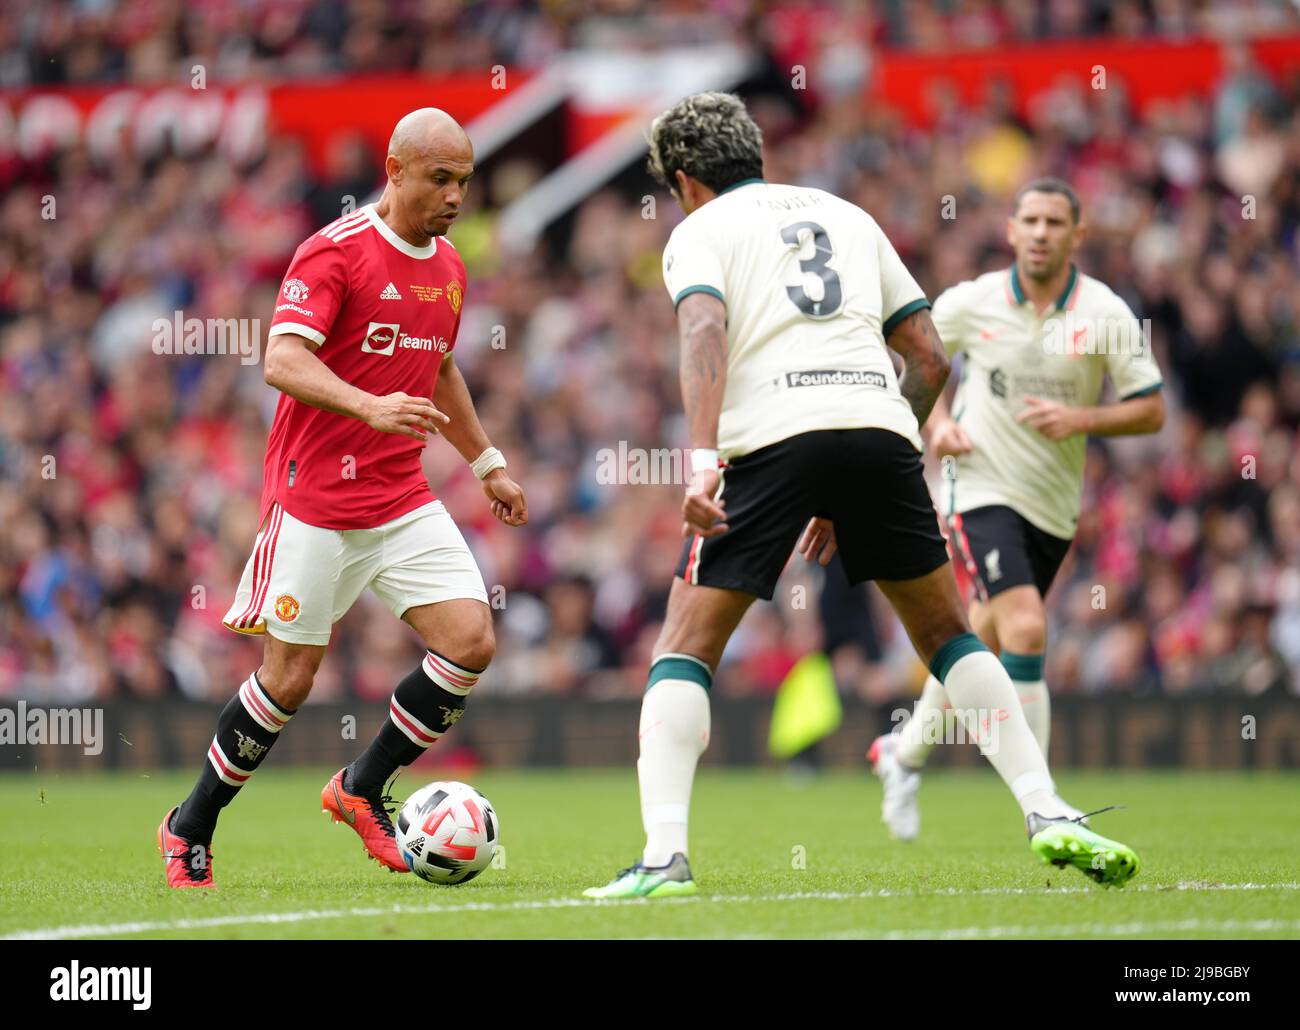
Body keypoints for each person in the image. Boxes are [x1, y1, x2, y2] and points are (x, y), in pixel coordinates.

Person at [585, 94, 1138, 900]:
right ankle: (1047, 808)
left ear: (684, 181)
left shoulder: (698, 231)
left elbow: (703, 332)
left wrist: (702, 459)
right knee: (948, 634)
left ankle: (665, 856)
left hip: (770, 434)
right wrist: (874, 453)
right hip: (878, 426)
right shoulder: (845, 213)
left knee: (685, 645)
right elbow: (929, 357)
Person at [157, 108, 528, 888]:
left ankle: (360, 787)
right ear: (394, 170)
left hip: (400, 496)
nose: (455, 195)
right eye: (439, 179)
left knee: (470, 641)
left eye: (464, 180)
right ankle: (189, 824)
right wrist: (368, 405)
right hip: (315, 502)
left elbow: (440, 367)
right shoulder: (335, 252)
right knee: (288, 682)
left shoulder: (451, 266)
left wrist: (487, 460)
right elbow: (281, 359)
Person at [869, 178, 1165, 841]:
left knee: (978, 638)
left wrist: (1082, 417)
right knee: (1026, 627)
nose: (1039, 232)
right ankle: (1046, 807)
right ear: (1010, 230)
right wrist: (937, 424)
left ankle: (904, 752)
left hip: (1053, 507)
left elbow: (1152, 408)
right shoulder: (974, 301)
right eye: (1029, 219)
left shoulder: (1106, 312)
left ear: (1077, 236)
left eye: (1054, 222)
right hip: (978, 486)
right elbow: (918, 360)